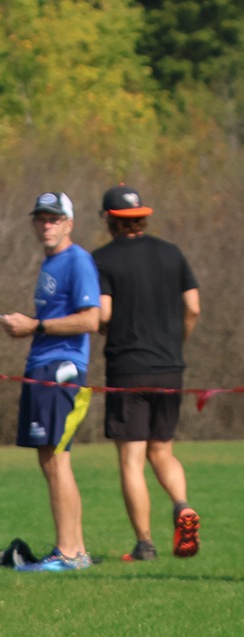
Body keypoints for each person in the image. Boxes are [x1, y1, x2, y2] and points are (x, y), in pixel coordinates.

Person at [93, 184, 202, 561]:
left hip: (128, 369)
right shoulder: (172, 254)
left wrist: (102, 324)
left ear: (109, 219)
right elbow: (193, 307)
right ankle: (182, 505)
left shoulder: (102, 259)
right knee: (163, 450)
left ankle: (145, 544)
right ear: (142, 216)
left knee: (131, 459)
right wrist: (176, 344)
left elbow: (103, 313)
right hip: (170, 366)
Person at [0, 192, 102, 572]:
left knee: (56, 460)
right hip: (41, 364)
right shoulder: (51, 263)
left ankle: (68, 553)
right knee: (53, 460)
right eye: (41, 218)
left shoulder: (78, 261)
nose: (47, 224)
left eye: (54, 218)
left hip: (60, 369)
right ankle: (76, 550)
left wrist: (35, 325)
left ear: (69, 223)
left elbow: (92, 320)